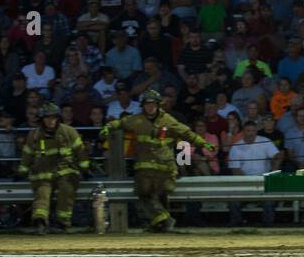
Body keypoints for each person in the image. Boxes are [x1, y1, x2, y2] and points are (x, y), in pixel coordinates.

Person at [101, 89, 213, 233]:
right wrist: (108, 128)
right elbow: (120, 123)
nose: (150, 107)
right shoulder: (136, 120)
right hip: (144, 166)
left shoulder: (168, 120)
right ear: (143, 105)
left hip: (165, 165)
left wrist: (202, 143)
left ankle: (160, 223)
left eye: (153, 104)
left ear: (158, 105)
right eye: (147, 104)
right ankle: (164, 220)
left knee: (162, 193)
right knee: (143, 192)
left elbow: (186, 133)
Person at [17, 102, 90, 233]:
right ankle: (40, 221)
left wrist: (85, 168)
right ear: (42, 119)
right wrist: (22, 171)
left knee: (66, 190)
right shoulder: (34, 135)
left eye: (53, 117)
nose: (50, 121)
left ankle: (62, 223)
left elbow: (80, 151)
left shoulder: (69, 132)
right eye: (47, 118)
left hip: (66, 171)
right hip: (42, 173)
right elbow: (27, 154)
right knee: (42, 194)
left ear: (58, 118)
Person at [226, 119, 281, 225]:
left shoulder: (265, 141)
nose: (251, 133)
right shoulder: (236, 147)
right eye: (248, 131)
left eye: (253, 131)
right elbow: (235, 170)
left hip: (264, 181)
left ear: (256, 131)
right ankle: (237, 225)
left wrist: (273, 171)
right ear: (243, 131)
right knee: (233, 201)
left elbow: (278, 156)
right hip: (244, 184)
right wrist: (249, 183)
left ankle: (267, 225)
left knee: (270, 200)